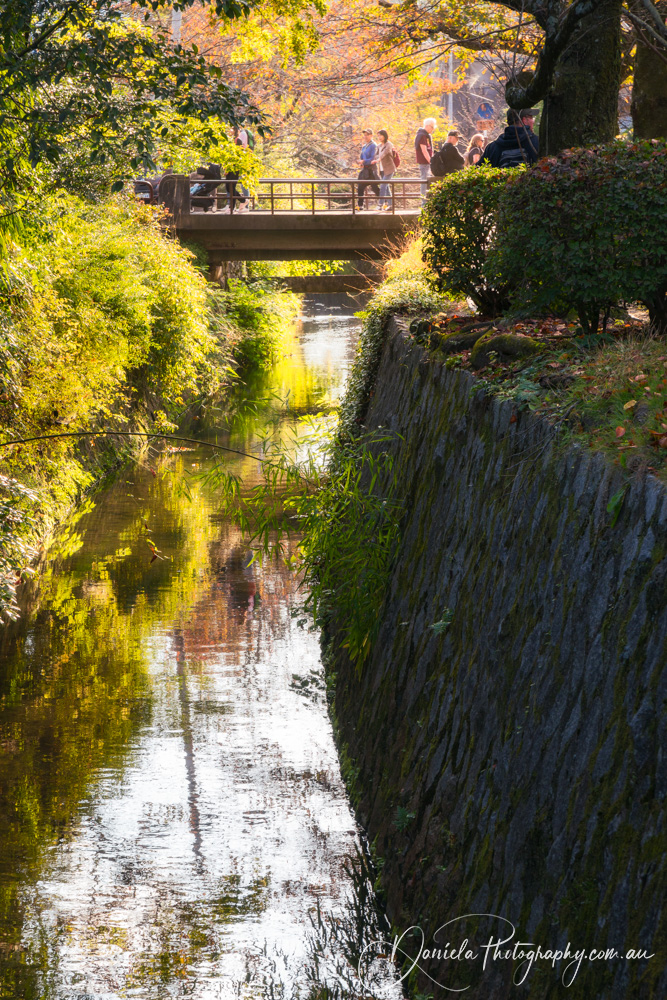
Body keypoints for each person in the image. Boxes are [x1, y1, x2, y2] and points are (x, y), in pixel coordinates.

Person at [357, 128, 380, 210]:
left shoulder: (373, 145)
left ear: (371, 135)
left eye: (367, 135)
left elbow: (373, 158)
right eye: (365, 135)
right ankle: (360, 205)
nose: (365, 136)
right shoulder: (364, 146)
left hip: (371, 170)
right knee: (360, 187)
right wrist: (361, 162)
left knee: (375, 188)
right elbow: (362, 156)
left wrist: (364, 161)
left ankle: (383, 202)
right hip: (365, 170)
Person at [414, 117, 436, 201]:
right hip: (424, 163)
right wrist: (431, 162)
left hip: (427, 162)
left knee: (427, 182)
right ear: (427, 126)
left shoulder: (426, 135)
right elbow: (424, 150)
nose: (433, 129)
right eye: (432, 127)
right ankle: (424, 203)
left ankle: (427, 201)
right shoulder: (422, 135)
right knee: (424, 182)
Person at [375, 129, 397, 210]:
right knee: (386, 187)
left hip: (389, 169)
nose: (379, 137)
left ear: (385, 135)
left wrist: (379, 158)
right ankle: (391, 205)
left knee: (383, 185)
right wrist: (376, 159)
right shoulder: (378, 146)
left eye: (381, 135)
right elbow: (376, 155)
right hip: (381, 169)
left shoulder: (389, 144)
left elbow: (385, 153)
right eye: (378, 136)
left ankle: (380, 204)